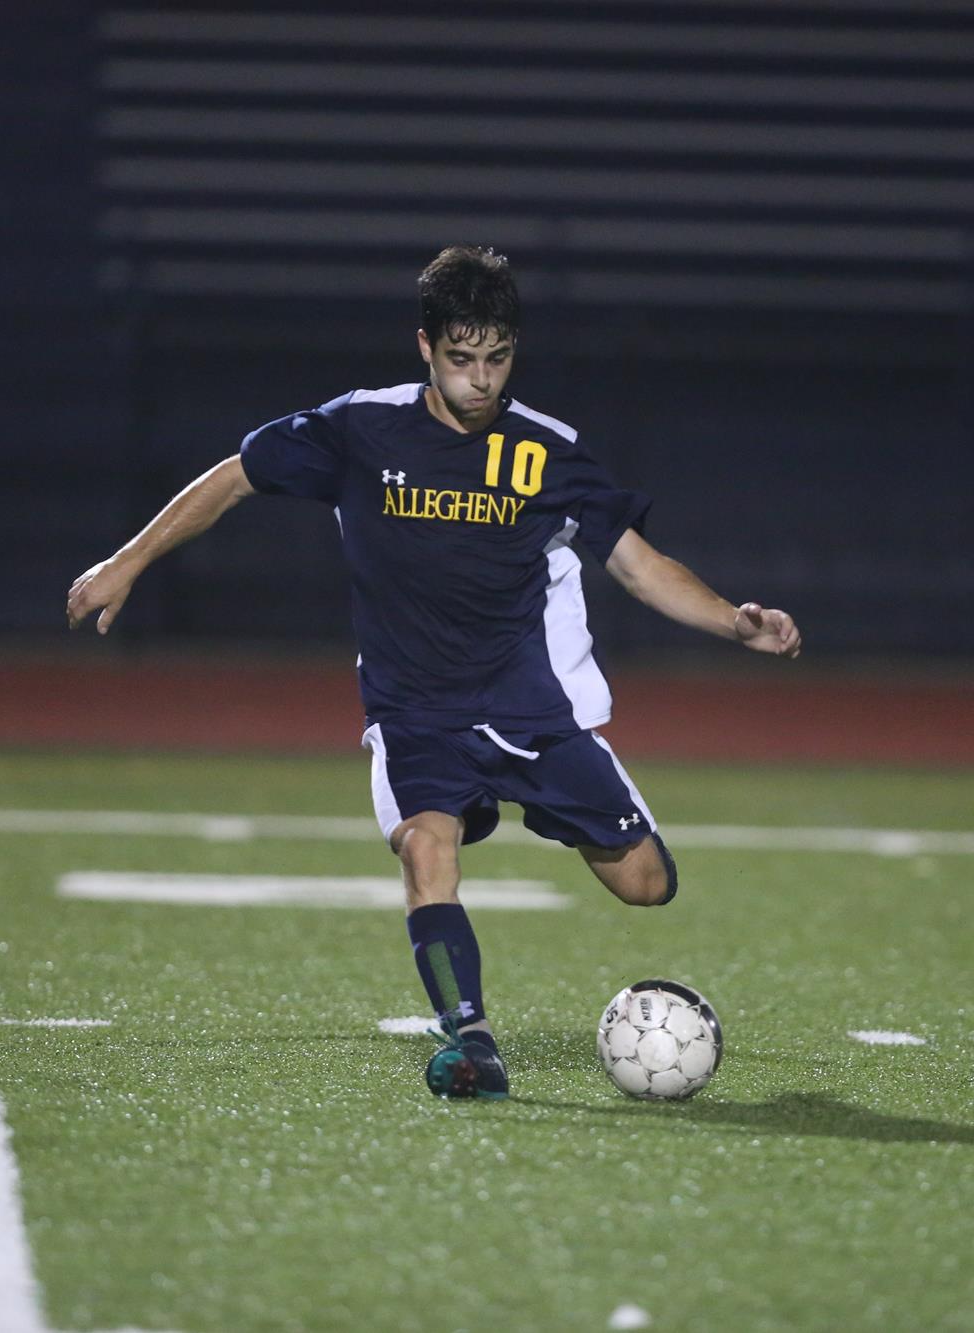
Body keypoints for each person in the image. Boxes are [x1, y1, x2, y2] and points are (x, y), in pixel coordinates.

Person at [66, 245, 801, 1094]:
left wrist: (733, 621)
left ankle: (526, 803)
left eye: (497, 359)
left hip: (529, 709)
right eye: (460, 359)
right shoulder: (361, 428)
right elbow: (235, 479)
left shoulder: (547, 449)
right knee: (426, 846)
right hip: (415, 708)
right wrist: (127, 561)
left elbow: (638, 565)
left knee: (647, 883)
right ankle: (471, 1039)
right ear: (425, 346)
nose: (479, 380)